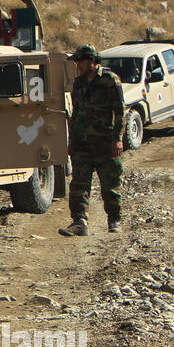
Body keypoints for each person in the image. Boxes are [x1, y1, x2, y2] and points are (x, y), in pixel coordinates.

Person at [59, 44, 125, 236]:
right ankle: (79, 222)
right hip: (82, 143)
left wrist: (118, 139)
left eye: (81, 61)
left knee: (110, 185)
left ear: (92, 61)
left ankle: (114, 220)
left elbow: (120, 111)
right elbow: (75, 113)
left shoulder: (110, 80)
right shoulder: (78, 83)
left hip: (105, 142)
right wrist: (71, 141)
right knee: (79, 184)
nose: (78, 65)